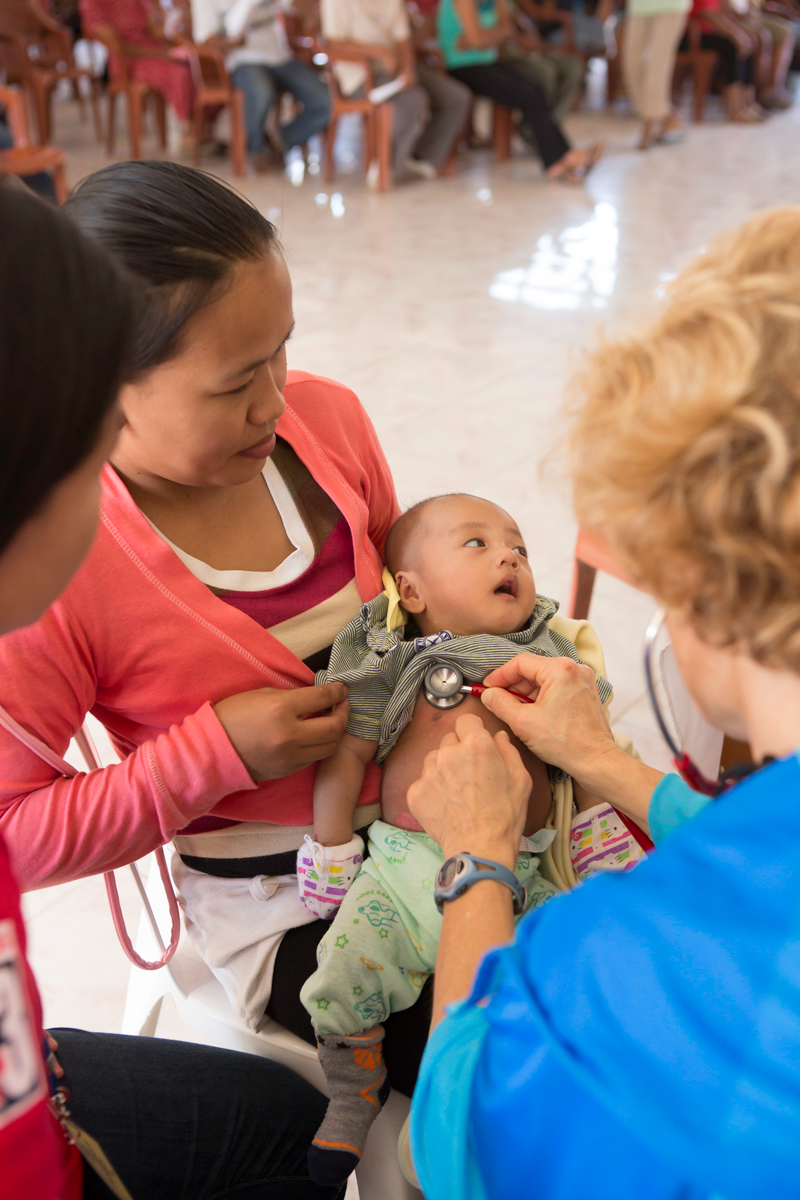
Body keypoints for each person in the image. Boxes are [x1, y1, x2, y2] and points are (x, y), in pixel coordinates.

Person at [0, 160, 432, 1098]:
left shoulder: (328, 422)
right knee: (528, 1043)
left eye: (282, 349)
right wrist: (211, 756)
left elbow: (417, 600)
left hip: (430, 834)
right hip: (276, 909)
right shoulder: (54, 559)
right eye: (237, 381)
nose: (277, 402)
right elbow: (13, 836)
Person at [407, 205, 800, 1198]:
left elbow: (454, 1137)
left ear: (695, 578)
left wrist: (474, 861)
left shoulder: (624, 977)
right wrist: (613, 768)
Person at [296, 493, 644, 1187]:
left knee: (571, 975)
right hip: (402, 869)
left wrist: (600, 837)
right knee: (339, 968)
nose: (509, 553)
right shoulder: (392, 660)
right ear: (413, 592)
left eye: (516, 543)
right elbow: (348, 757)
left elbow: (584, 749)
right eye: (476, 544)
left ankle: (555, 1113)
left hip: (520, 867)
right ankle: (352, 1087)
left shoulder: (547, 656)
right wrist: (331, 845)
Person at [437, 0, 602, 181]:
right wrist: (491, 35)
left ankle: (561, 157)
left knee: (535, 86)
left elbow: (503, 30)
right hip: (463, 67)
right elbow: (481, 40)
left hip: (489, 61)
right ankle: (559, 159)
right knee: (527, 94)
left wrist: (484, 37)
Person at [319, 0, 472, 183]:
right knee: (413, 99)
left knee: (456, 97)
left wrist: (408, 67)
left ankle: (421, 157)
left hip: (395, 66)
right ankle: (385, 165)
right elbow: (334, 43)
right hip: (358, 74)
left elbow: (403, 40)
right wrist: (380, 52)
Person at [190, 0, 332, 169]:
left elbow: (295, 6)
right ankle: (257, 150)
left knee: (326, 101)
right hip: (242, 60)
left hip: (280, 56)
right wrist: (232, 43)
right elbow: (204, 39)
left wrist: (313, 12)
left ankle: (279, 141)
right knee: (261, 92)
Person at [78, 0, 195, 124]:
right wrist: (163, 54)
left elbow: (155, 28)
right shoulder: (91, 3)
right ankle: (189, 124)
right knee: (179, 73)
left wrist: (179, 35)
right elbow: (120, 46)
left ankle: (204, 123)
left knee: (199, 65)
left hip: (155, 50)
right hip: (127, 61)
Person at [503, 0, 586, 126]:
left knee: (574, 66)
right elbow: (505, 33)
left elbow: (522, 22)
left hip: (530, 44)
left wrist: (536, 42)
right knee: (547, 71)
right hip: (507, 50)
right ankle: (534, 126)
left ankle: (552, 126)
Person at [678, 0, 763, 119]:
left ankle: (748, 103)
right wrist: (735, 34)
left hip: (710, 31)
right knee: (733, 45)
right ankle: (736, 110)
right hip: (692, 35)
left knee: (749, 42)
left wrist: (741, 32)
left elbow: (722, 12)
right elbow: (706, 14)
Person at [622, 0, 689, 148]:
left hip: (671, 5)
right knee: (632, 65)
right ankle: (668, 116)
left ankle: (648, 127)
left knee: (657, 65)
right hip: (638, 6)